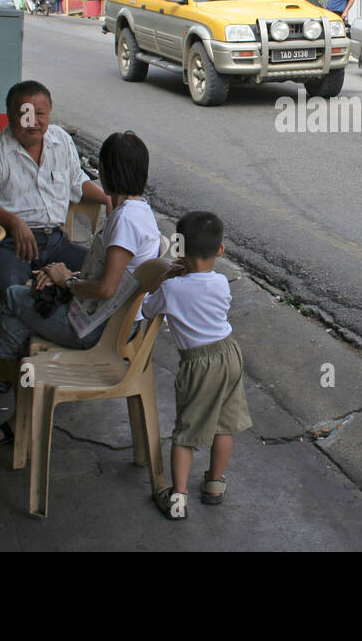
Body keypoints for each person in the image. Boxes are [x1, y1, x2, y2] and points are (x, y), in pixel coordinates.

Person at [0, 133, 162, 447]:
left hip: (98, 331)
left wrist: (67, 282)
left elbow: (105, 288)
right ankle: (17, 401)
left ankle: (3, 376)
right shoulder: (139, 210)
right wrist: (63, 275)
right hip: (112, 321)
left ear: (104, 170)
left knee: (11, 297)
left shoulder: (125, 220)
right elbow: (110, 277)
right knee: (33, 297)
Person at [0, 80, 112, 355]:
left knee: (103, 277)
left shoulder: (61, 141)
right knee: (3, 288)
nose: (32, 122)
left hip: (54, 240)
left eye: (40, 114)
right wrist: (14, 222)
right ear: (10, 114)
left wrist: (107, 200)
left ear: (50, 112)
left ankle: (74, 341)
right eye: (24, 114)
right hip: (7, 243)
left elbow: (77, 183)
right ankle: (1, 362)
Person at [142, 211, 250, 520]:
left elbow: (149, 308)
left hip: (198, 363)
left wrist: (166, 277)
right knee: (225, 424)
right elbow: (201, 290)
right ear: (220, 251)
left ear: (178, 249)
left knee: (186, 431)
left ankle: (178, 498)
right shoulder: (221, 282)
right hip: (230, 354)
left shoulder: (171, 289)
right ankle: (215, 483)